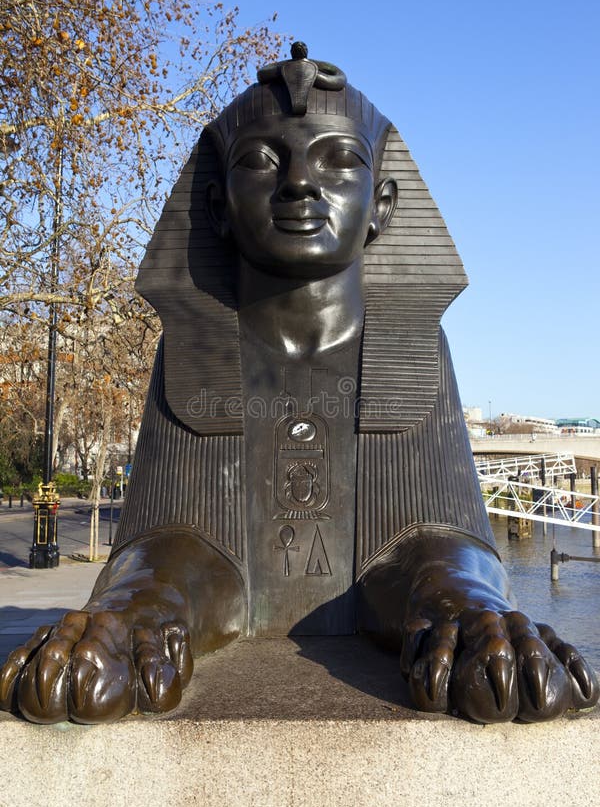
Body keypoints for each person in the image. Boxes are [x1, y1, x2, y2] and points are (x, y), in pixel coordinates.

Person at [1, 44, 597, 724]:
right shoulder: (189, 352)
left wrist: (458, 599)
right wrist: (142, 603)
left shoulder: (415, 349)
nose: (300, 185)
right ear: (218, 206)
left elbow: (435, 541)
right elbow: (179, 545)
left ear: (383, 205)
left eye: (340, 159)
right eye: (260, 159)